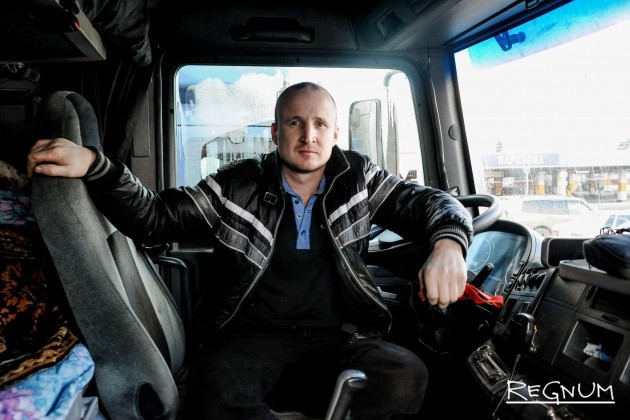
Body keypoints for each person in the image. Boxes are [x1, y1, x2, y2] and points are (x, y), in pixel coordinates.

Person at [27, 81, 473, 419]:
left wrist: (449, 244)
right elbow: (154, 218)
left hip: (335, 340)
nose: (308, 135)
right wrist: (98, 166)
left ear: (336, 133)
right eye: (295, 123)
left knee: (407, 374)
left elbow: (432, 203)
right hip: (248, 339)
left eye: (320, 124)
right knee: (209, 395)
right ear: (276, 132)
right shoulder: (237, 184)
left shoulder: (360, 179)